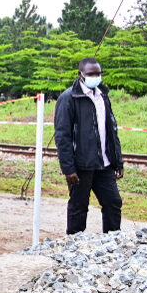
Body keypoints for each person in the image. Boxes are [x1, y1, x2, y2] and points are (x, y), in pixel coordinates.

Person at [54, 57, 124, 235]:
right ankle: (74, 245)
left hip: (104, 164)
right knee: (79, 207)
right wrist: (68, 168)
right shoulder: (68, 98)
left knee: (113, 202)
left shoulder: (102, 96)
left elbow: (111, 130)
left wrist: (118, 161)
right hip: (81, 166)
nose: (96, 77)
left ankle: (112, 240)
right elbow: (62, 136)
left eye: (98, 73)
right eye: (91, 74)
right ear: (81, 75)